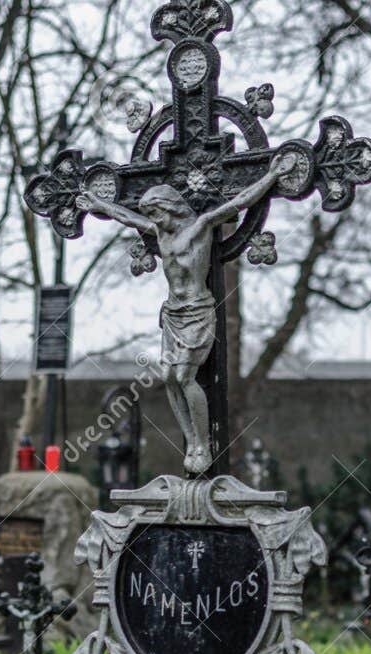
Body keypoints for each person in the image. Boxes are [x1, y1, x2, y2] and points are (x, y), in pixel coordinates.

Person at [77, 153, 299, 473]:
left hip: (197, 309)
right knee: (169, 377)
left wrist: (272, 176)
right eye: (151, 215)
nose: (156, 220)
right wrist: (99, 204)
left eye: (158, 213)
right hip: (172, 314)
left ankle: (202, 443)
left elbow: (238, 203)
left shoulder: (200, 227)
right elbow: (125, 218)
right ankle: (191, 440)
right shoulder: (161, 235)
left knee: (184, 375)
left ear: (171, 207)